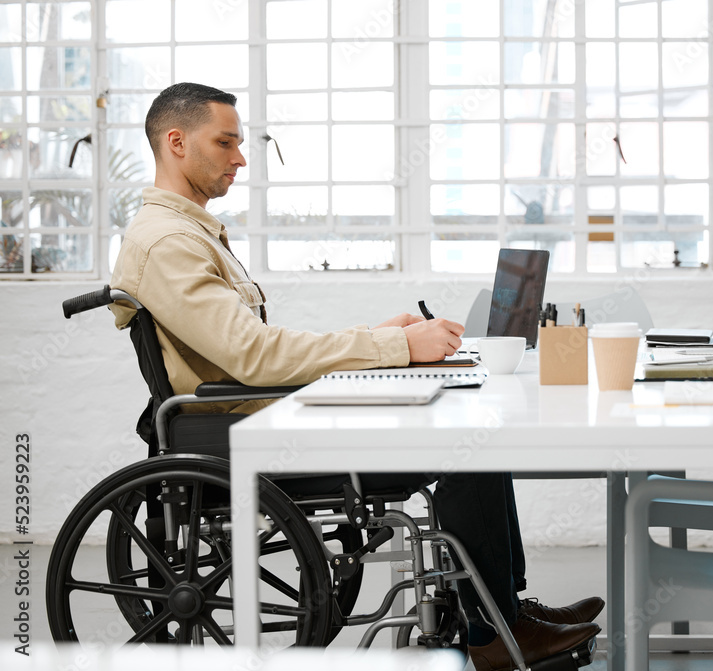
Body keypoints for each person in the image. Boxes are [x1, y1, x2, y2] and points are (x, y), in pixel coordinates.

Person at [109, 82, 603, 671]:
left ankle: (505, 610)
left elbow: (251, 353)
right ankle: (493, 632)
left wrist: (382, 340)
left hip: (266, 415)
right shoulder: (168, 241)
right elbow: (253, 357)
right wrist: (391, 346)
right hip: (248, 434)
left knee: (468, 423)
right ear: (176, 142)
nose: (240, 158)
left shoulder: (188, 233)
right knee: (466, 441)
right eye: (226, 142)